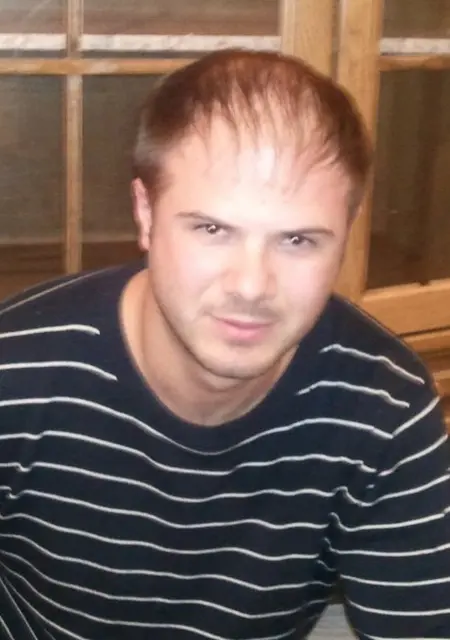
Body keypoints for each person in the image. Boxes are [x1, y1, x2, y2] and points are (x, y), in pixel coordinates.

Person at [0, 48, 448, 640]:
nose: (251, 287)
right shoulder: (14, 373)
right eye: (212, 229)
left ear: (348, 229)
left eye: (297, 240)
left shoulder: (386, 407)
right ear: (145, 213)